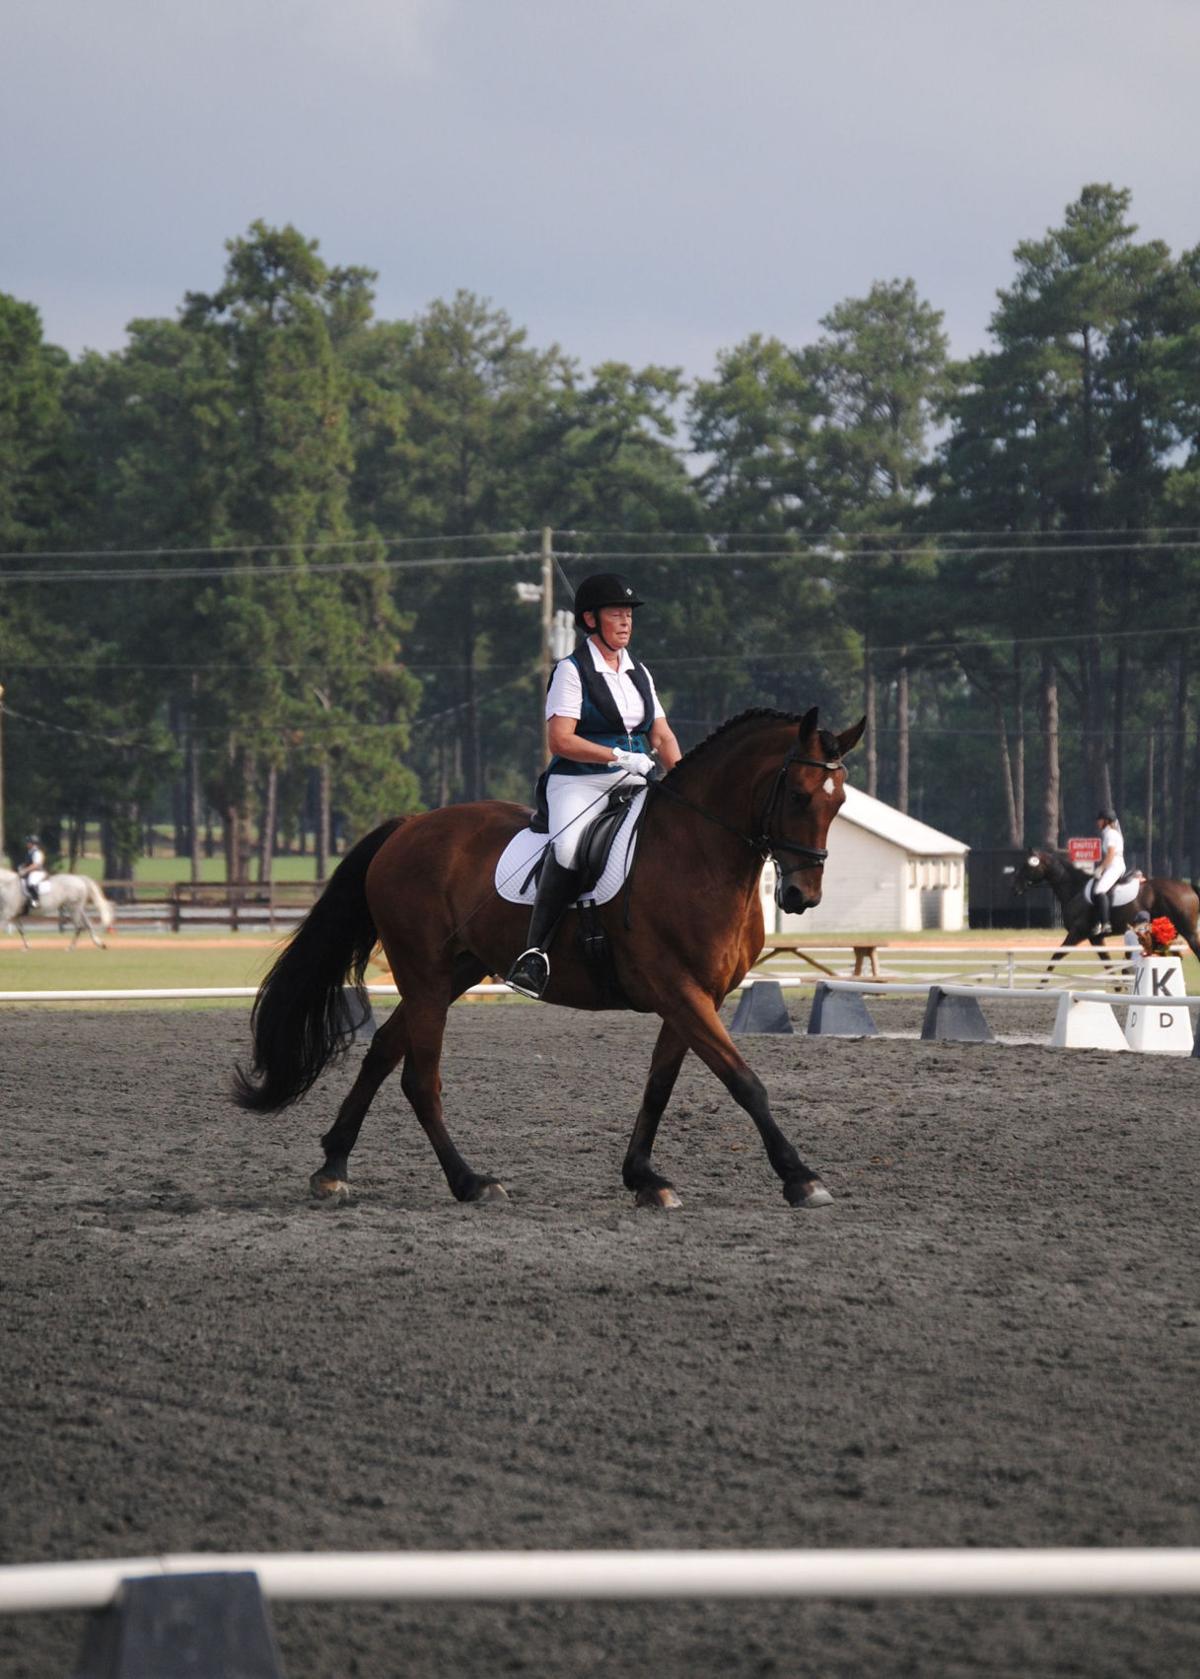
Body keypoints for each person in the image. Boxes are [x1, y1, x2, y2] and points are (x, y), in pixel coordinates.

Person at [506, 573, 682, 999]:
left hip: (636, 778)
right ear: (590, 619)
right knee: (566, 848)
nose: (626, 621)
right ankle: (534, 954)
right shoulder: (571, 671)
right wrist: (617, 756)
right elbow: (560, 740)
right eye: (616, 613)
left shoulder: (639, 672)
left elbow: (662, 735)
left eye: (628, 614)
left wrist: (681, 782)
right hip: (579, 782)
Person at [1091, 807, 1125, 936]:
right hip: (1113, 864)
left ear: (1106, 821)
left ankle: (1106, 923)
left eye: (1099, 820)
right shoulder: (1108, 833)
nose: (1097, 823)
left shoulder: (1110, 834)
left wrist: (1101, 868)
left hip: (1115, 864)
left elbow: (1110, 854)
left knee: (1099, 890)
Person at [18, 833, 47, 914]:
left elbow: (36, 865)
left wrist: (25, 870)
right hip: (30, 872)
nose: (27, 844)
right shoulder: (29, 852)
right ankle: (25, 903)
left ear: (33, 843)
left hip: (38, 872)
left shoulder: (37, 852)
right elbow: (28, 863)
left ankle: (36, 901)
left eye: (28, 842)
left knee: (31, 882)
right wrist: (22, 866)